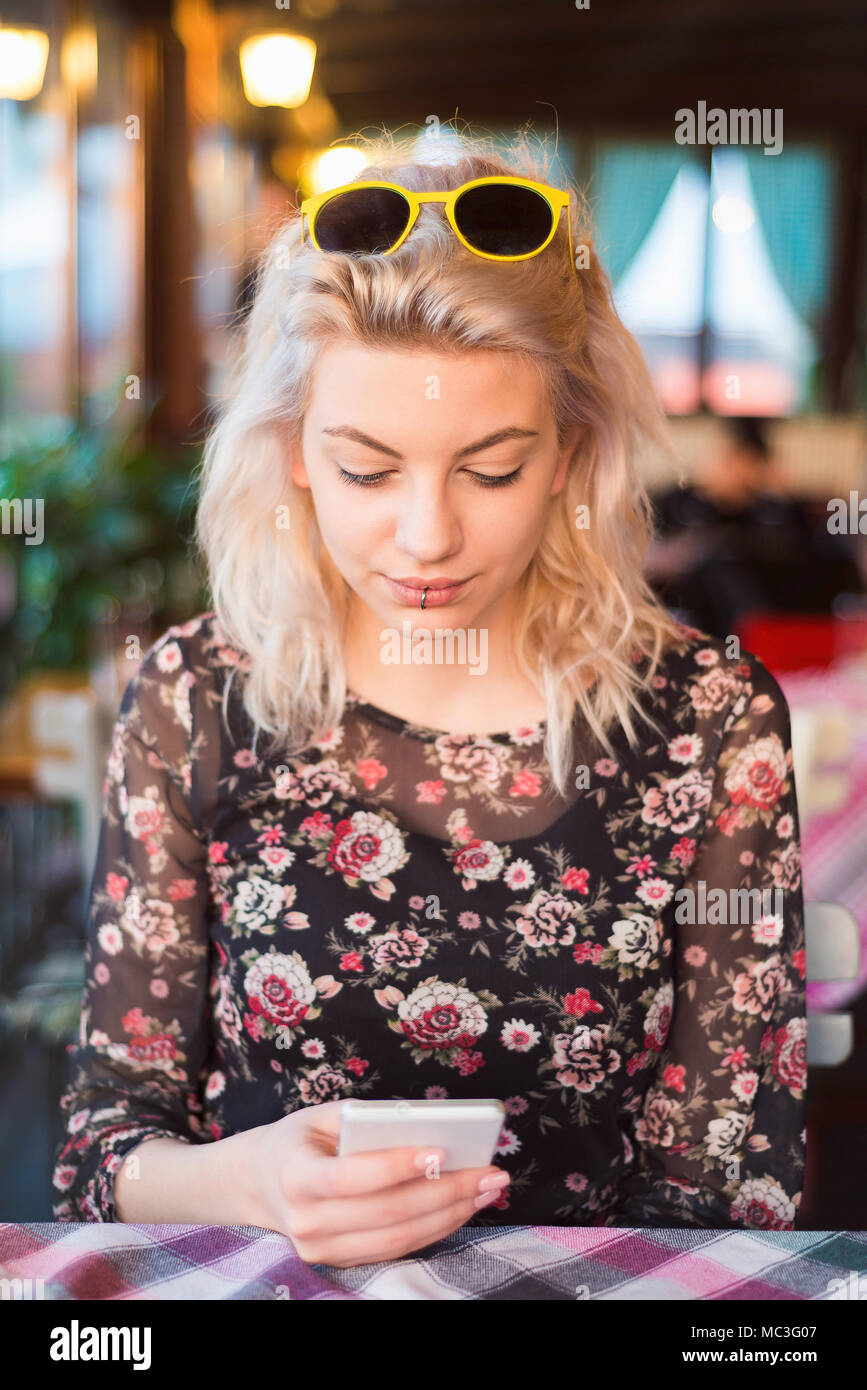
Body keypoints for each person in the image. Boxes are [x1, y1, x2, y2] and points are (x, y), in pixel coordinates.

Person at [52, 134, 807, 1265]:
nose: (427, 536)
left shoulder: (709, 721)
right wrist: (246, 1178)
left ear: (571, 453)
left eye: (491, 468)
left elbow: (736, 1186)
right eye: (366, 467)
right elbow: (102, 1149)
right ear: (294, 449)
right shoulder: (198, 697)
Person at [646, 416, 863, 636]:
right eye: (732, 460)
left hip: (769, 615)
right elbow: (655, 555)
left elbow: (814, 556)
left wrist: (782, 501)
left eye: (748, 462)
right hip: (699, 614)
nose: (737, 471)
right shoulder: (682, 501)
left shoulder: (775, 509)